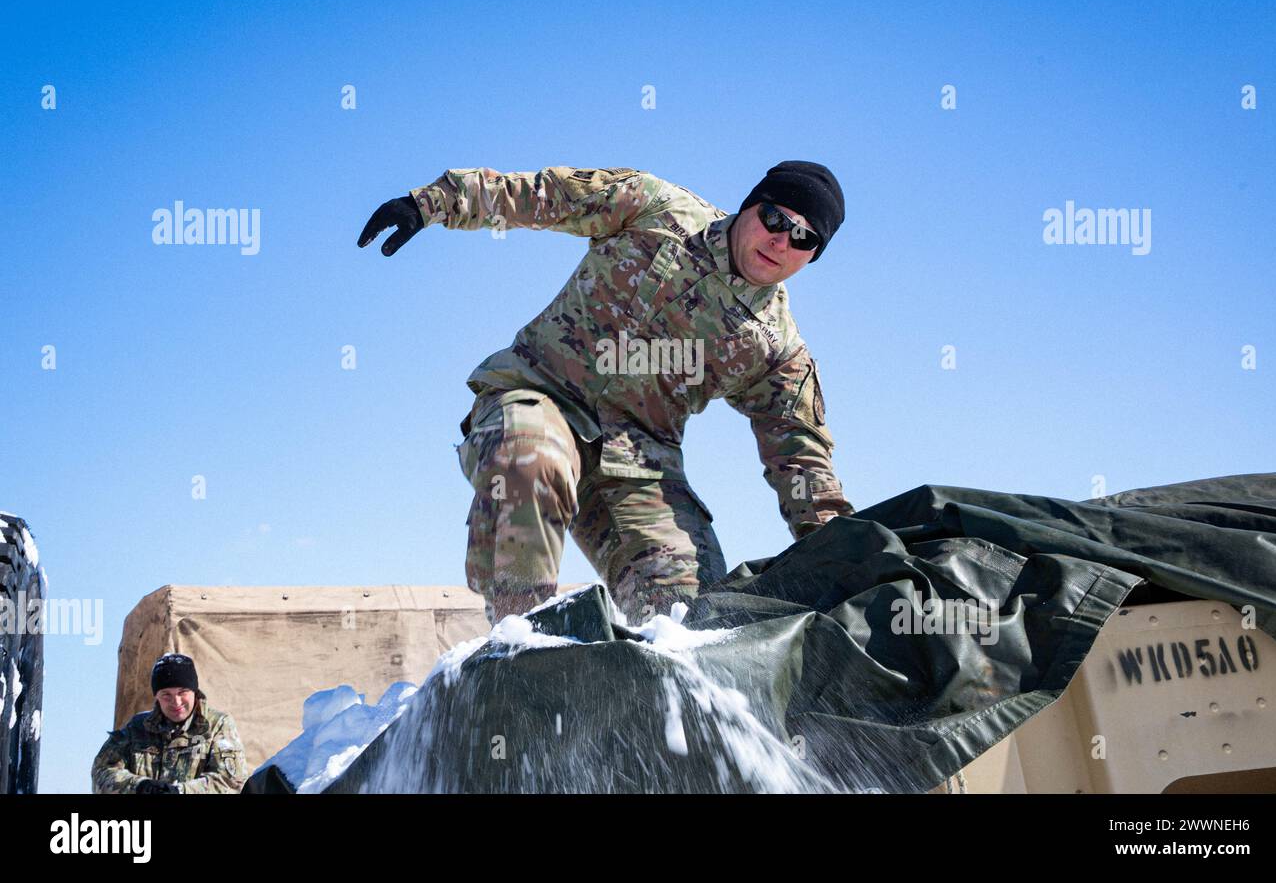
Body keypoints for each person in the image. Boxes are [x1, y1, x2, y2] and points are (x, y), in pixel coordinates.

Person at [358, 161, 855, 623]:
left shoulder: (776, 348)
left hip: (638, 466)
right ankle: (518, 647)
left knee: (695, 619)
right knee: (531, 460)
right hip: (541, 396)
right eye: (773, 217)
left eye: (803, 237)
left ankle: (666, 710)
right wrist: (431, 203)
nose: (780, 240)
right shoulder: (655, 208)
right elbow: (544, 196)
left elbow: (802, 463)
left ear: (812, 256)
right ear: (750, 205)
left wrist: (846, 564)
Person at [91, 653, 247, 794]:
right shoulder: (137, 728)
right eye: (166, 695)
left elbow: (231, 782)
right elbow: (102, 771)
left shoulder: (217, 726)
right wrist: (140, 786)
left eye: (182, 692)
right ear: (156, 696)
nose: (176, 701)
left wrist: (180, 792)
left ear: (194, 691)